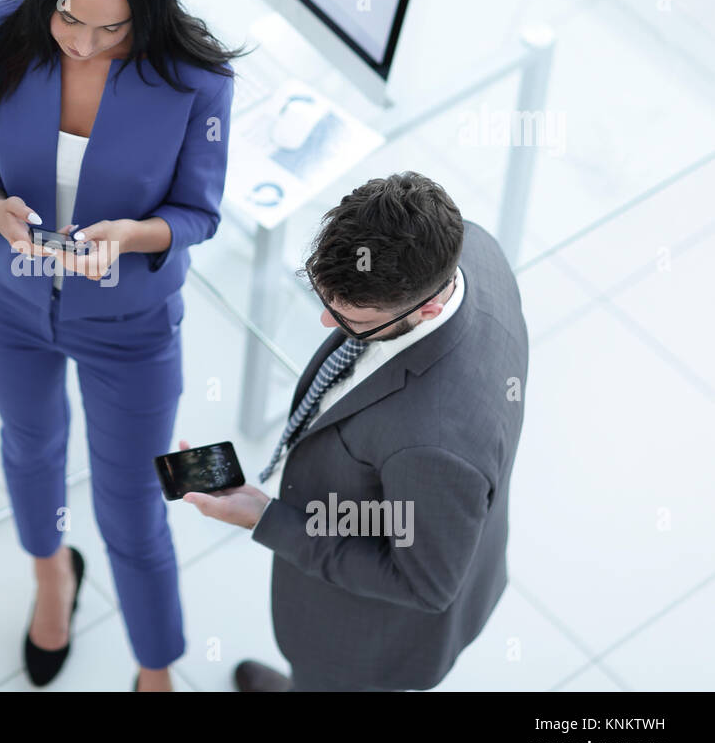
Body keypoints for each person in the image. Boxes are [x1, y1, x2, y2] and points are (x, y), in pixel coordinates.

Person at [0, 0, 244, 691]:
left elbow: (198, 214)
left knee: (135, 504)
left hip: (129, 324)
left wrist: (132, 236)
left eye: (111, 29)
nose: (84, 44)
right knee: (30, 444)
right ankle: (53, 577)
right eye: (70, 18)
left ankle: (156, 666)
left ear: (147, 10)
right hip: (6, 297)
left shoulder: (197, 80)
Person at [183, 172, 529, 691]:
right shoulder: (470, 245)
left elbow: (423, 584)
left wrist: (267, 519)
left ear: (428, 308)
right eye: (323, 297)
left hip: (367, 636)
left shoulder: (435, 446)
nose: (326, 322)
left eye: (351, 319)